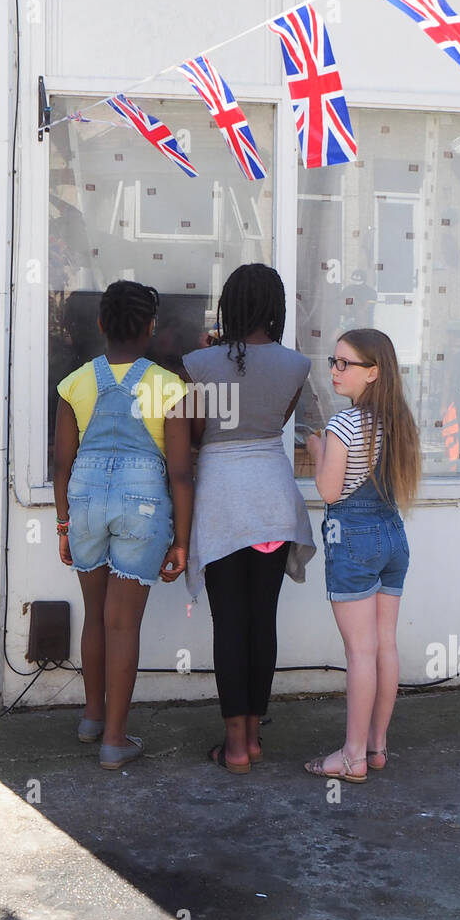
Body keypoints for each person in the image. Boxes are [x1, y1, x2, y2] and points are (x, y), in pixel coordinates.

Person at [53, 281, 194, 770]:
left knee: (94, 614)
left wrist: (63, 525)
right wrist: (182, 540)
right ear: (151, 327)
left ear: (100, 324)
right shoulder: (169, 386)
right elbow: (180, 471)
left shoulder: (74, 384)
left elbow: (61, 465)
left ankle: (92, 718)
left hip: (86, 498)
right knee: (123, 622)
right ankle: (116, 739)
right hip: (144, 502)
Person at [182, 264, 316, 774]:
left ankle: (233, 746)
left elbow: (195, 434)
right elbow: (274, 424)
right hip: (274, 501)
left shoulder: (196, 363)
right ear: (276, 308)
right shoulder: (297, 365)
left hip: (222, 503)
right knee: (263, 621)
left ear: (229, 306)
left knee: (228, 624)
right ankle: (254, 739)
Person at [304, 328, 420, 783]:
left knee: (360, 652)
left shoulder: (343, 425)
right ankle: (377, 747)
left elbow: (330, 490)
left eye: (344, 364)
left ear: (373, 372)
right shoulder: (399, 422)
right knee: (384, 644)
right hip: (392, 535)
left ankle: (351, 756)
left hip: (352, 538)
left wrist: (317, 450)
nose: (334, 370)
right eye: (333, 361)